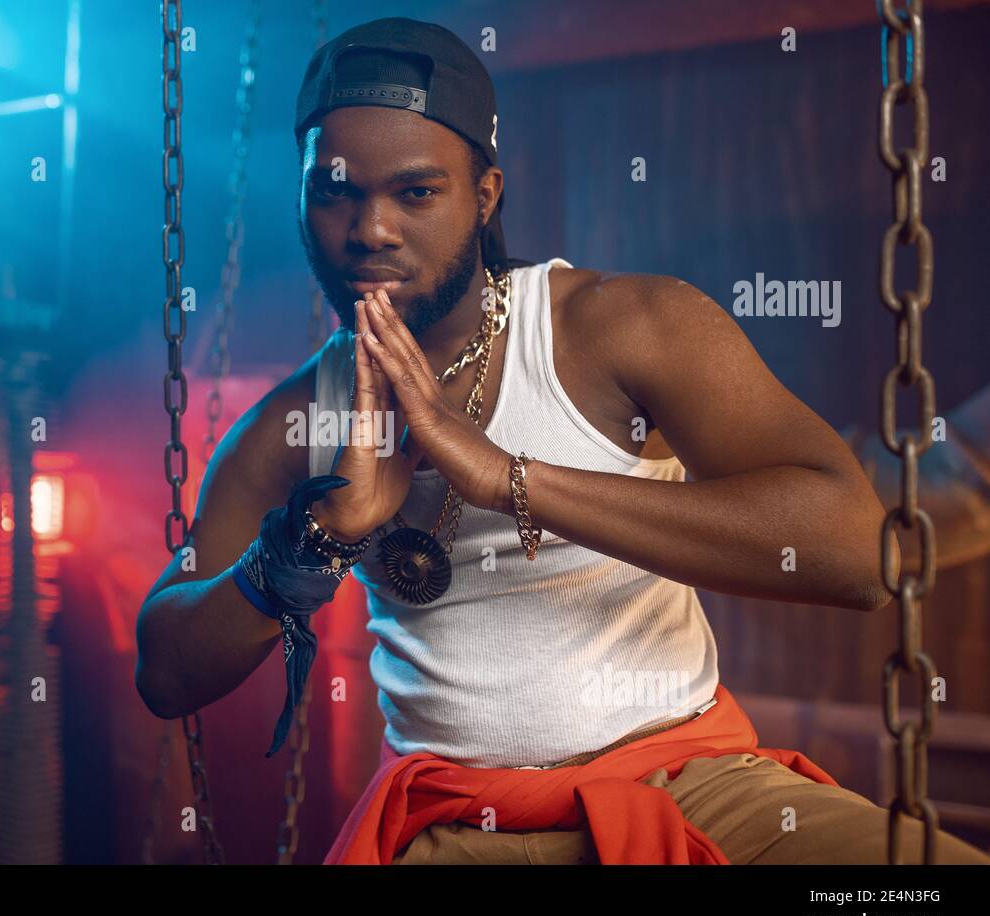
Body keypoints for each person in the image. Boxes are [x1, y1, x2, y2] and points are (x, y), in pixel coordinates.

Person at [135, 16, 989, 865]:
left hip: (694, 781)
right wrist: (316, 544)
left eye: (416, 192)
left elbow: (856, 552)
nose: (371, 230)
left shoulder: (621, 327)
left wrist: (509, 477)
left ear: (486, 194)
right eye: (336, 190)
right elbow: (167, 671)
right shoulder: (292, 428)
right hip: (460, 824)